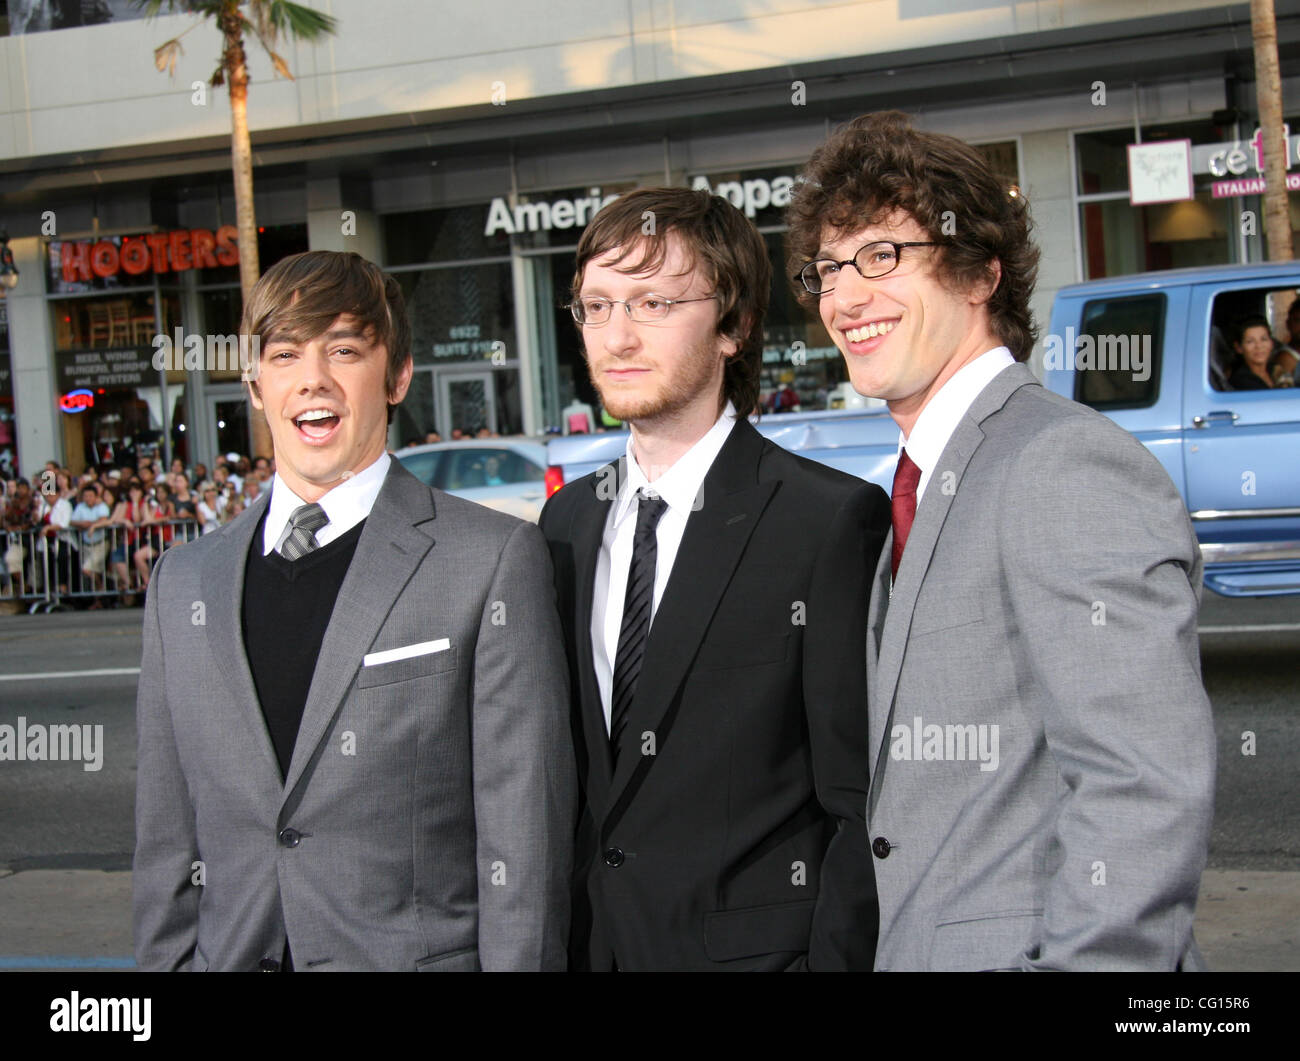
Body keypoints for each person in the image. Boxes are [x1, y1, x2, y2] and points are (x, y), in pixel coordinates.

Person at [787, 110, 1215, 971]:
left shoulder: (1063, 461)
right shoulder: (914, 482)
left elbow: (1145, 784)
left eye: (881, 256)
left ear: (980, 272)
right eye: (829, 267)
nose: (843, 295)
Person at [134, 249, 574, 972]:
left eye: (344, 350)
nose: (313, 378)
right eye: (284, 355)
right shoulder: (182, 584)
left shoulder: (490, 561)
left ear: (396, 375)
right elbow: (165, 848)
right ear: (254, 384)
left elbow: (523, 845)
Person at [539, 187, 890, 971]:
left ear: (733, 324)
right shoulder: (565, 527)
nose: (616, 336)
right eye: (596, 307)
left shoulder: (825, 522)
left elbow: (861, 805)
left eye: (654, 302)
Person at [1228, 316, 1277, 390]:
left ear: (1271, 343)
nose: (1259, 346)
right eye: (1250, 341)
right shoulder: (1241, 381)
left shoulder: (1276, 370)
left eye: (1264, 339)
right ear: (1239, 348)